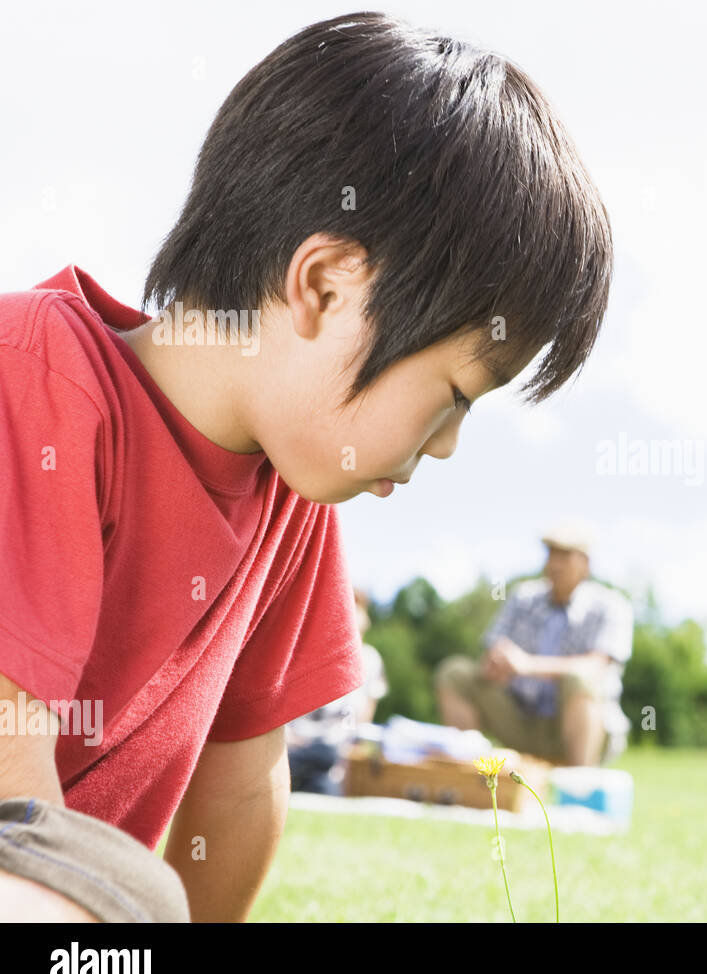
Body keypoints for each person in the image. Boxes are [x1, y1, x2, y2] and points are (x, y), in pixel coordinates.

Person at [0, 12, 612, 922]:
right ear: (325, 287)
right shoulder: (39, 375)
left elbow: (244, 787)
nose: (445, 443)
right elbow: (17, 804)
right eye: (452, 394)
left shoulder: (293, 503)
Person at [436, 524, 634, 767]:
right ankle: (470, 774)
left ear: (585, 563)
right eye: (551, 555)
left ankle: (578, 785)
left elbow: (596, 666)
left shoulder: (611, 605)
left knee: (580, 679)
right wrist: (495, 665)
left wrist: (528, 665)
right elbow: (493, 650)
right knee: (455, 673)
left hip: (579, 728)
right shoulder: (523, 597)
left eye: (565, 556)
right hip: (522, 721)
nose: (555, 564)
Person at [286, 588, 388, 794]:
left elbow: (364, 718)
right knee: (319, 772)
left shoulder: (370, 660)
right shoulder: (306, 653)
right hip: (298, 746)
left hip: (333, 753)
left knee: (324, 772)